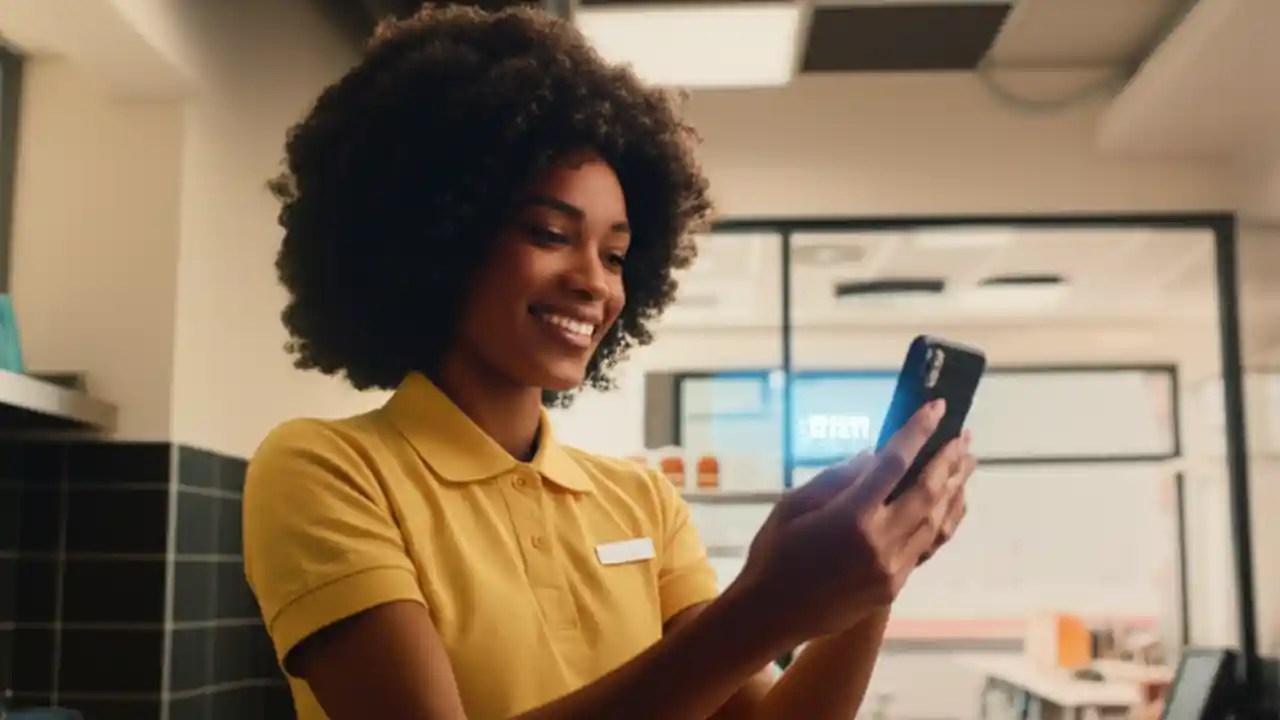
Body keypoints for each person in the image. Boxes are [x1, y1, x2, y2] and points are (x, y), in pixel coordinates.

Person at [242, 5, 977, 720]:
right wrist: (765, 608)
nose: (595, 281)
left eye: (617, 254)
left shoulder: (640, 501)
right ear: (437, 237)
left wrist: (876, 572)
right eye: (551, 232)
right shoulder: (326, 469)